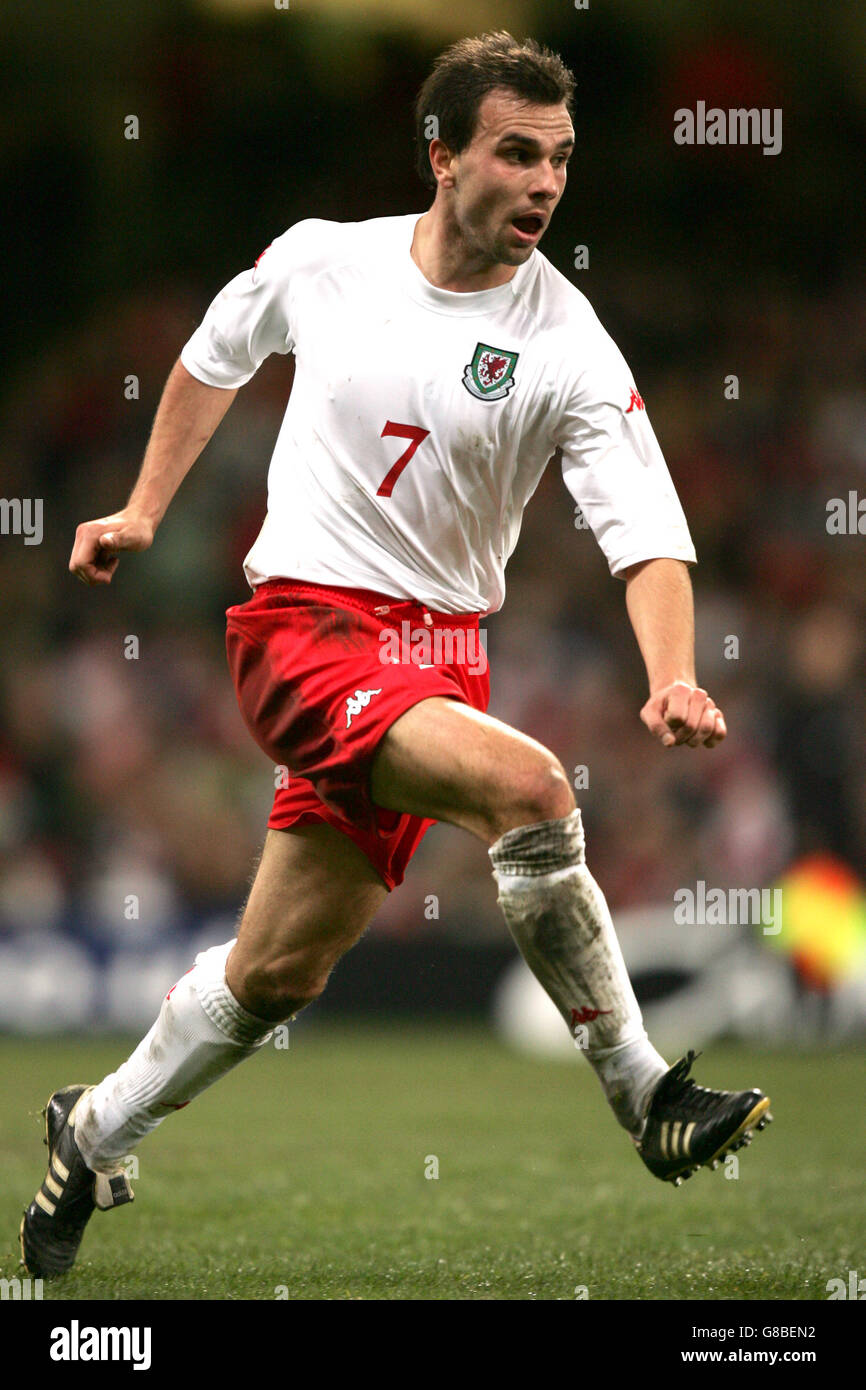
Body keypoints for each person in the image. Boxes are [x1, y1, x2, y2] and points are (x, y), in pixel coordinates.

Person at [21, 31, 770, 1279]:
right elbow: (217, 353)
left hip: (438, 663)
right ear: (441, 155)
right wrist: (143, 508)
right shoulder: (328, 261)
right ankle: (646, 1095)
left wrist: (670, 675)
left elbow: (644, 533)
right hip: (306, 632)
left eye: (562, 160)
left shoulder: (569, 342)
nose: (542, 182)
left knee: (273, 974)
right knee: (533, 792)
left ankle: (93, 1128)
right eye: (515, 153)